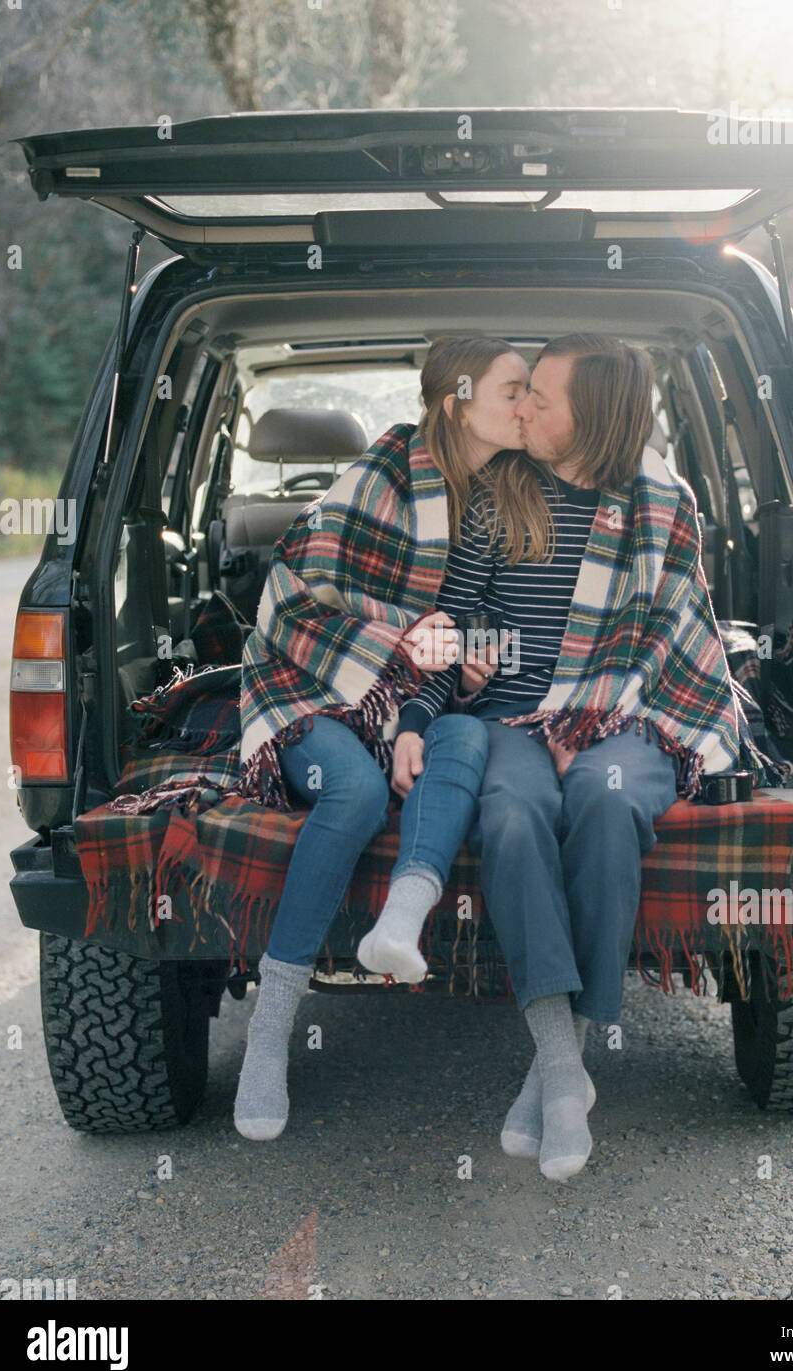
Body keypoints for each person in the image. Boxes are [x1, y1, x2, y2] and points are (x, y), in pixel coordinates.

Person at [395, 333, 742, 1180]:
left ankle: (561, 1059)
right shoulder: (500, 495)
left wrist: (590, 724)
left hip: (634, 717)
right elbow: (453, 617)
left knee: (607, 797)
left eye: (542, 400)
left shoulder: (664, 504)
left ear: (594, 417)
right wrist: (414, 713)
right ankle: (561, 1067)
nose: (525, 410)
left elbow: (673, 642)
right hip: (513, 721)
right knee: (510, 816)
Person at [233, 336, 531, 1140]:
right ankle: (271, 1031)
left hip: (407, 698)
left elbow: (478, 627)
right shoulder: (376, 479)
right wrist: (410, 638)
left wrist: (460, 671)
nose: (525, 403)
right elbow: (290, 602)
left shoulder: (501, 493)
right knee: (358, 794)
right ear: (454, 402)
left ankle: (398, 924)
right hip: (308, 681)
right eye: (512, 389)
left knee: (466, 733)